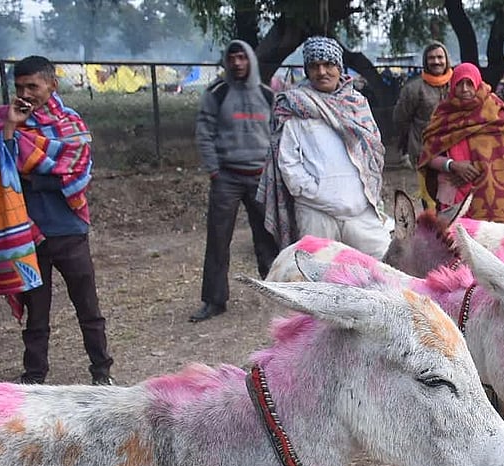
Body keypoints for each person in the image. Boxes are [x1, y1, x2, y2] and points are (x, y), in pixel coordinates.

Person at [0, 55, 114, 385]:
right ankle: (34, 377)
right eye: (19, 87)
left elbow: (78, 172)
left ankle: (101, 372)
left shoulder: (71, 124)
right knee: (36, 315)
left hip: (69, 230)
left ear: (52, 85)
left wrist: (33, 179)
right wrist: (12, 127)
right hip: (27, 235)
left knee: (88, 308)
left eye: (33, 86)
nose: (26, 93)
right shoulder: (2, 123)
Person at [258, 37, 391, 259]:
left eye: (328, 64)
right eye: (314, 66)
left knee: (383, 269)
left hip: (360, 210)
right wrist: (317, 193)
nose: (322, 72)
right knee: (317, 280)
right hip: (315, 213)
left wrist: (357, 196)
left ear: (339, 68)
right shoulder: (293, 106)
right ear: (307, 70)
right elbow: (288, 164)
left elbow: (373, 151)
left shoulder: (357, 104)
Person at [190, 40, 278, 323]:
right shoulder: (217, 92)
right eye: (233, 58)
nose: (238, 63)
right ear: (227, 62)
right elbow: (204, 133)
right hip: (226, 177)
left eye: (243, 57)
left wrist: (272, 169)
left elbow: (278, 134)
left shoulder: (267, 94)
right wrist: (215, 170)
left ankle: (276, 292)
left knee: (267, 237)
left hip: (260, 177)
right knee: (218, 240)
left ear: (250, 60)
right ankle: (214, 301)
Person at [418, 63, 504, 228]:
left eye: (469, 83)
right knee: (457, 246)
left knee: (494, 241)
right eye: (459, 84)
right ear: (452, 86)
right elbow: (427, 156)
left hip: (493, 194)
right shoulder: (444, 114)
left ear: (477, 83)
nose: (464, 89)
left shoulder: (494, 111)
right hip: (455, 194)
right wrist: (452, 165)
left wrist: (483, 169)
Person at [393, 41, 452, 186]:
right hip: (425, 152)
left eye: (440, 57)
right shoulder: (414, 89)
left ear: (446, 60)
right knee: (430, 199)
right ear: (425, 61)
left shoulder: (458, 84)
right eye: (431, 58)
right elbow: (400, 119)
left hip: (455, 149)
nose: (436, 61)